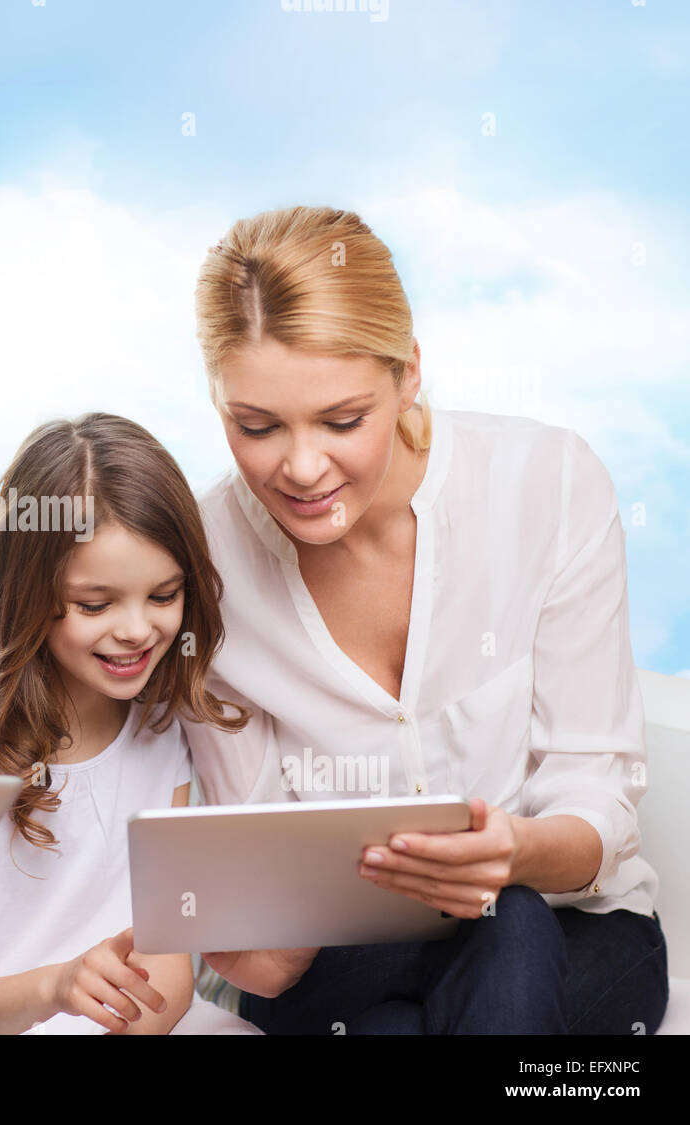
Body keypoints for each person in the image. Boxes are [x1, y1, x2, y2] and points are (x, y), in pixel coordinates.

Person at [184, 205, 668, 1033]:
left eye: (342, 420)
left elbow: (597, 799)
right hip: (345, 953)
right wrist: (243, 925)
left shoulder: (546, 485)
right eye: (256, 426)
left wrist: (513, 852)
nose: (301, 469)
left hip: (571, 925)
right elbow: (257, 889)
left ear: (409, 372)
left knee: (503, 921)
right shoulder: (205, 565)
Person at [0, 414, 296, 1034]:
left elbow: (167, 970)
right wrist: (57, 985)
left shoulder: (164, 730)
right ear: (27, 593)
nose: (135, 630)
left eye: (163, 596)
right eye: (95, 604)